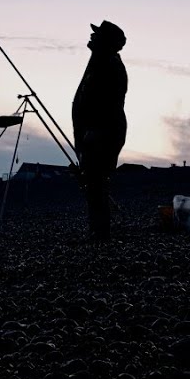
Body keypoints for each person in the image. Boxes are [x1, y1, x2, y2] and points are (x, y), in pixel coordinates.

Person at [71, 20, 128, 240]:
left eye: (97, 35)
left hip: (102, 133)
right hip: (95, 132)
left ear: (106, 41)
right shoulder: (101, 61)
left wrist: (96, 131)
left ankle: (100, 234)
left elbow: (110, 103)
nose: (92, 37)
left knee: (95, 181)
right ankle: (98, 231)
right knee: (93, 181)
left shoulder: (109, 65)